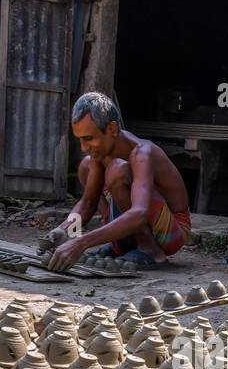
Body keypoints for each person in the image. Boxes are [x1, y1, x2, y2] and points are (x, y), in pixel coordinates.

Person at [45, 92, 192, 270]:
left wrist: (81, 243)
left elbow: (140, 213)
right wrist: (65, 229)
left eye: (89, 139)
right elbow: (88, 202)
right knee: (86, 166)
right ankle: (121, 245)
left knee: (117, 170)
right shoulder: (99, 153)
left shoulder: (142, 153)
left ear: (112, 129)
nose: (84, 148)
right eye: (80, 140)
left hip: (172, 231)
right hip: (140, 222)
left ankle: (151, 250)